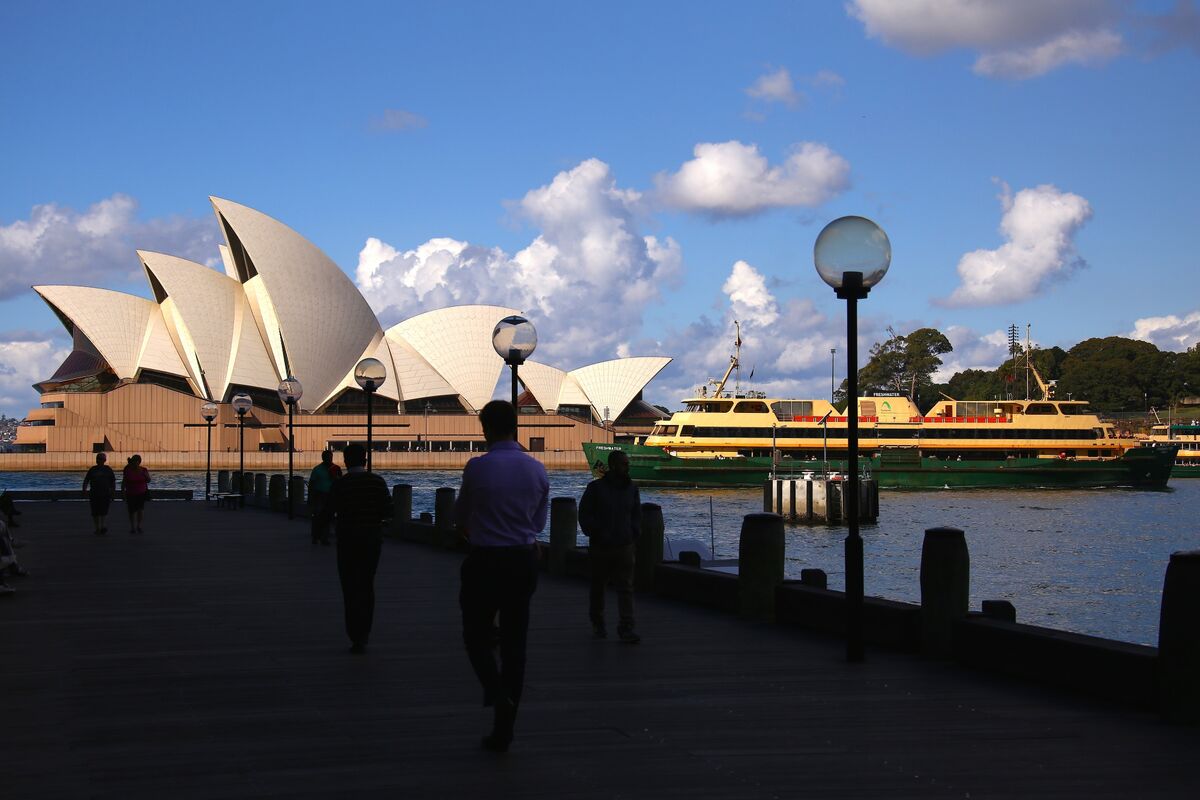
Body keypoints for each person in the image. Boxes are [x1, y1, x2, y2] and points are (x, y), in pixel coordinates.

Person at [453, 400, 549, 753]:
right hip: (523, 560)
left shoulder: (477, 468)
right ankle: (505, 728)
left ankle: (496, 693)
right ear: (515, 427)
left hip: (485, 559)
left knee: (475, 634)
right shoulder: (536, 469)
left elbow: (461, 514)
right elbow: (538, 522)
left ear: (486, 429)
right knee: (515, 643)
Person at [319, 444, 391, 653]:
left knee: (350, 587)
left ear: (345, 461)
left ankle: (355, 635)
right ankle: (365, 632)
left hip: (347, 540)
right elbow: (389, 510)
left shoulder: (341, 484)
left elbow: (328, 512)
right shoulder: (377, 482)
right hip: (371, 540)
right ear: (365, 460)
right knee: (367, 585)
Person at [578, 449, 642, 643]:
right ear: (613, 465)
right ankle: (598, 622)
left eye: (627, 464)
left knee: (626, 587)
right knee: (598, 586)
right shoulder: (595, 488)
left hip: (624, 545)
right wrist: (595, 532)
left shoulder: (632, 489)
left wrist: (633, 533)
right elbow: (584, 514)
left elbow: (636, 515)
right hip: (601, 545)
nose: (627, 467)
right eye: (624, 464)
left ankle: (626, 626)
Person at [308, 449, 342, 545]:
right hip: (319, 495)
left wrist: (336, 478)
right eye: (327, 457)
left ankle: (324, 538)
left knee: (328, 517)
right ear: (323, 458)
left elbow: (341, 482)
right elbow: (311, 484)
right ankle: (315, 536)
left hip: (331, 495)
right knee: (317, 516)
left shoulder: (336, 468)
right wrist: (310, 498)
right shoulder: (317, 469)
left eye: (330, 457)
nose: (329, 459)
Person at [82, 453, 116, 535]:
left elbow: (113, 481)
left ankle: (102, 526)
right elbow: (86, 480)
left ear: (104, 460)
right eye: (98, 458)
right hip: (94, 493)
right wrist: (84, 490)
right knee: (95, 512)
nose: (98, 460)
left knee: (104, 510)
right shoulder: (92, 469)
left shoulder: (108, 469)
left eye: (100, 459)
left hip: (105, 493)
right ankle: (97, 528)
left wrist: (113, 492)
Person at [121, 455, 151, 534]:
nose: (135, 463)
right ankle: (133, 527)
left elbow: (148, 480)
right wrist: (123, 492)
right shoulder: (127, 470)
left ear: (139, 462)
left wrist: (144, 474)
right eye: (134, 461)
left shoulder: (143, 470)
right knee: (131, 511)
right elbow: (124, 482)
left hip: (141, 493)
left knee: (140, 510)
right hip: (130, 493)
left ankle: (139, 526)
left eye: (136, 461)